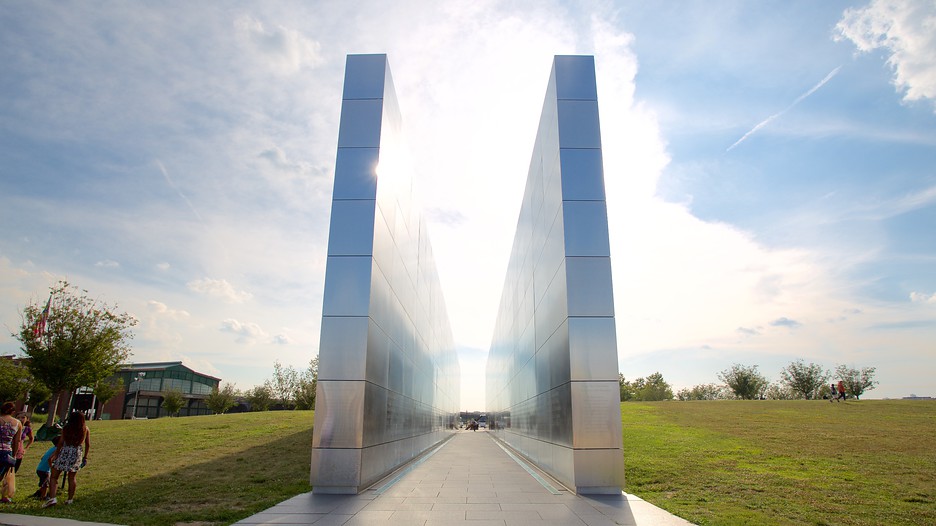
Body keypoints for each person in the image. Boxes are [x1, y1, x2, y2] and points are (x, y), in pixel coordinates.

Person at [43, 412, 90, 507]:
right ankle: (70, 499)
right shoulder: (85, 429)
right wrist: (85, 457)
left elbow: (60, 442)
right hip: (77, 451)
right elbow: (88, 444)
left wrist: (56, 454)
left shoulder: (66, 428)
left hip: (65, 450)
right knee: (72, 477)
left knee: (54, 476)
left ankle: (52, 498)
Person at [0, 403, 22, 504]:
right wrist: (14, 455)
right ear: (13, 412)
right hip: (7, 451)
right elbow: (17, 441)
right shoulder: (17, 423)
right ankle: (4, 496)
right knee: (2, 474)